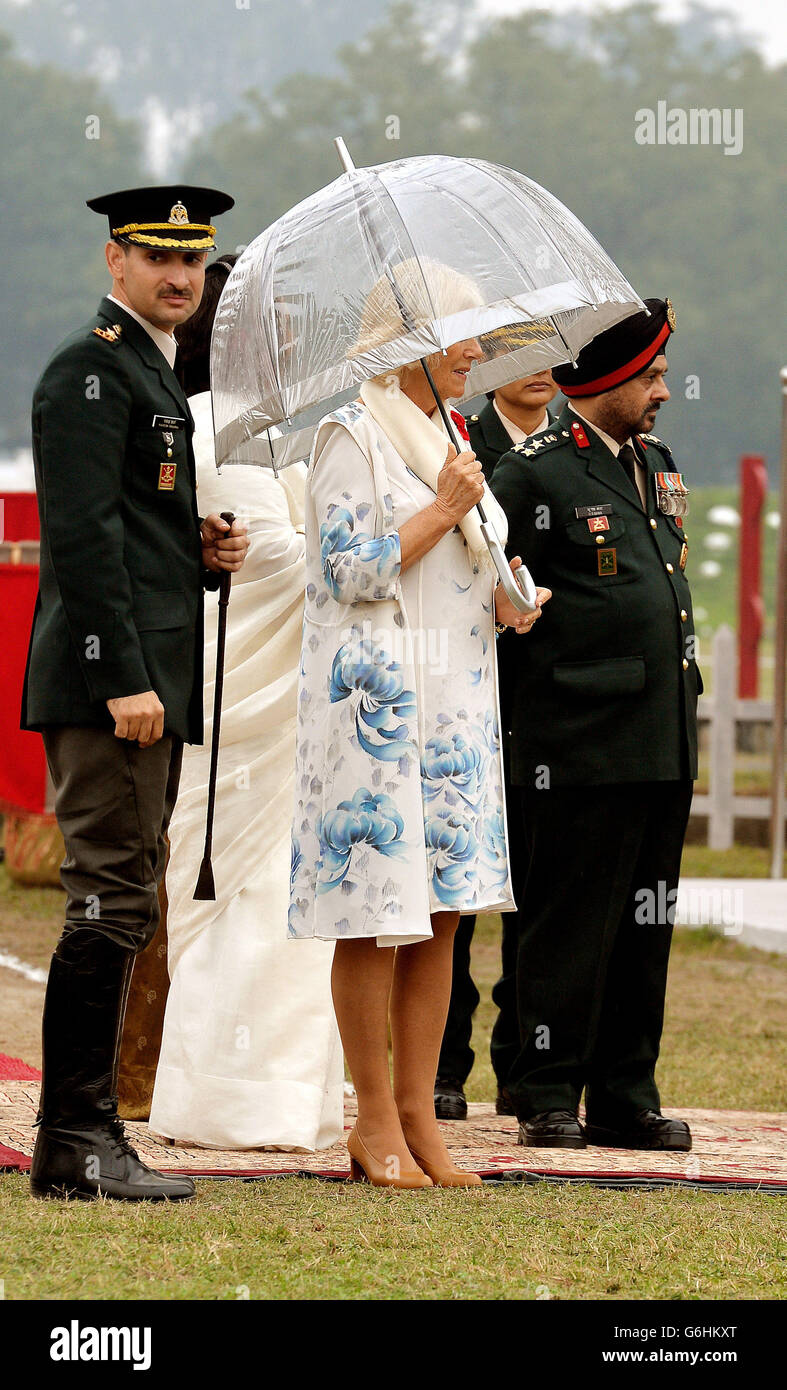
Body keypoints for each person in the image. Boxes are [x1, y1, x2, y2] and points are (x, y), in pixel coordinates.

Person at [288, 260, 550, 1188]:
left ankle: (416, 1117)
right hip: (378, 714)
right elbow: (346, 572)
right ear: (405, 342)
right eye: (459, 331)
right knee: (372, 917)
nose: (477, 350)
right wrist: (442, 510)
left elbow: (466, 569)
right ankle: (370, 1119)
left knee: (440, 916)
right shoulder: (348, 436)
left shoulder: (452, 433)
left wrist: (510, 597)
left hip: (455, 709)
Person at [21, 185, 248, 1200]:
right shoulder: (91, 372)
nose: (179, 278)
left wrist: (199, 554)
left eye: (193, 262)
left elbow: (134, 531)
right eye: (158, 258)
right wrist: (122, 678)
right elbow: (79, 541)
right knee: (110, 898)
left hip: (150, 675)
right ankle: (76, 1137)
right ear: (114, 262)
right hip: (115, 683)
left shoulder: (147, 376)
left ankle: (89, 1131)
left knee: (123, 900)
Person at [490, 298, 698, 1151]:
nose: (660, 392)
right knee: (566, 925)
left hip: (658, 734)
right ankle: (543, 1088)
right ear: (606, 379)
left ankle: (623, 1091)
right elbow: (499, 608)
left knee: (645, 922)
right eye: (647, 377)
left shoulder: (655, 462)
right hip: (573, 740)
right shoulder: (534, 471)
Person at [148, 256, 344, 1151]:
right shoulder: (202, 427)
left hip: (298, 709)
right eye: (278, 330)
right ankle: (227, 1100)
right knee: (242, 900)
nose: (293, 346)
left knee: (295, 907)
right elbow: (273, 560)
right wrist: (384, 540)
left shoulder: (279, 437)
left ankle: (292, 1097)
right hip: (239, 703)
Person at [435, 370, 559, 1121]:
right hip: (465, 697)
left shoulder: (575, 455)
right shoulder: (460, 450)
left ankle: (523, 1065)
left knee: (536, 899)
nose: (536, 366)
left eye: (548, 347)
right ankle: (443, 1069)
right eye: (514, 348)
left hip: (547, 708)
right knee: (454, 897)